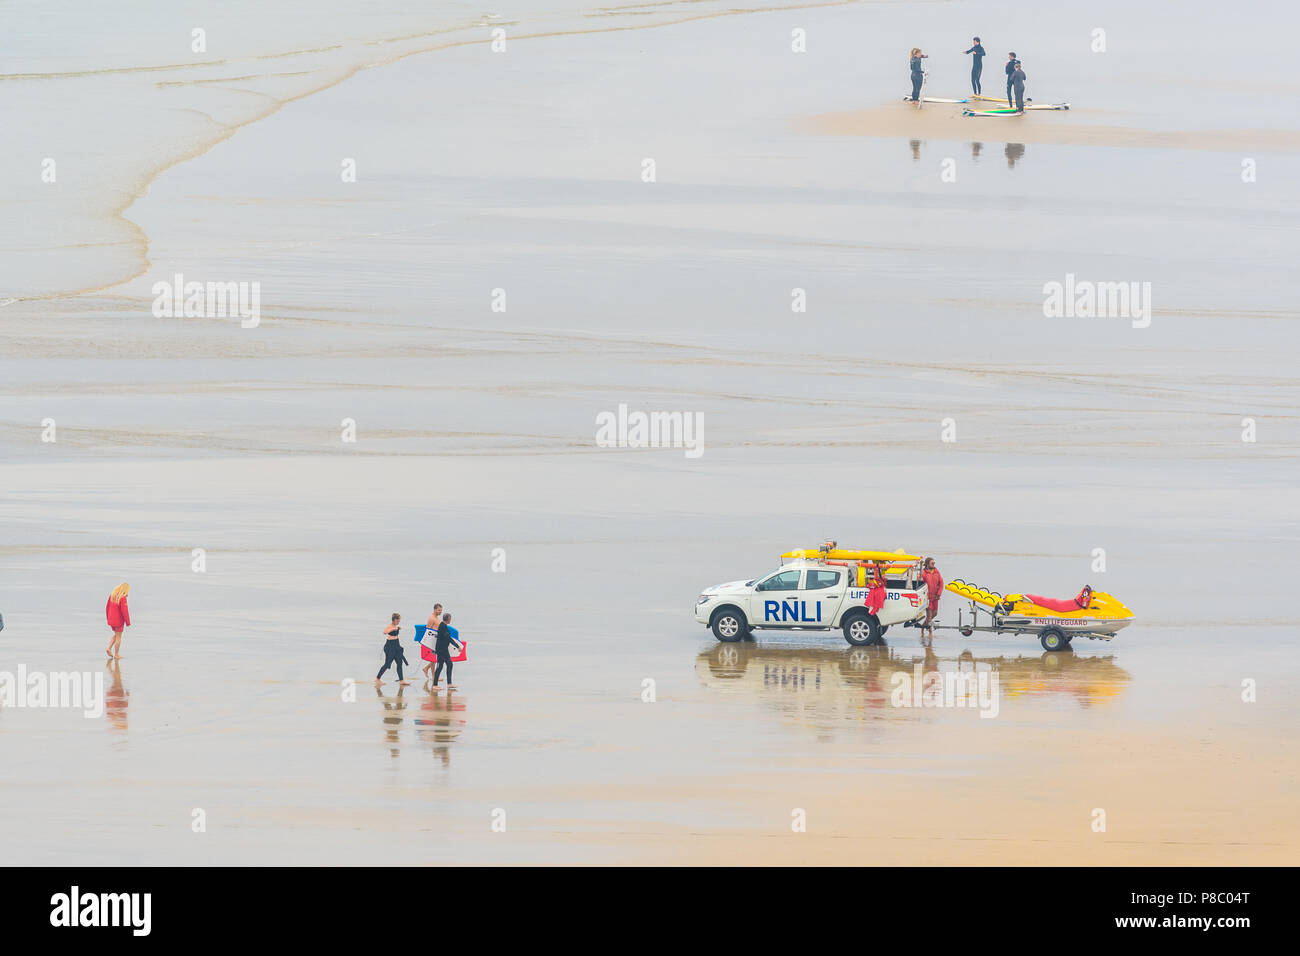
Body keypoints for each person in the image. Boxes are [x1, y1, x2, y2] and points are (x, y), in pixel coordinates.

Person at [431, 612, 463, 690]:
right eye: (450, 619)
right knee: (445, 665)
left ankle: (448, 684)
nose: (450, 620)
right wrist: (458, 646)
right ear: (448, 619)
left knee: (443, 666)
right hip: (441, 650)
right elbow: (449, 638)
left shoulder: (443, 626)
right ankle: (437, 685)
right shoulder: (443, 627)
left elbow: (447, 638)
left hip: (443, 649)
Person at [375, 612, 409, 684]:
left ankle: (401, 680)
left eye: (399, 620)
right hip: (390, 646)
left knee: (399, 662)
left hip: (397, 645)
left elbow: (395, 630)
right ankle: (377, 679)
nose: (399, 622)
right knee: (387, 664)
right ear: (394, 620)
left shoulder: (396, 626)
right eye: (398, 620)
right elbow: (385, 632)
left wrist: (397, 628)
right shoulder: (390, 626)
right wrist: (392, 630)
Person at [105, 582, 131, 658]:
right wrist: (128, 622)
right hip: (118, 621)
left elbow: (107, 608)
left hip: (111, 620)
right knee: (119, 637)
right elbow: (125, 611)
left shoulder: (112, 596)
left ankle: (109, 648)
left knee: (116, 635)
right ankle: (116, 654)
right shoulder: (122, 598)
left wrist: (108, 618)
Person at [920, 558, 944, 638]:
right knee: (929, 615)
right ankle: (930, 633)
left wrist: (939, 593)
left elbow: (941, 583)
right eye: (932, 563)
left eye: (934, 563)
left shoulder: (937, 572)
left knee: (935, 613)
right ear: (927, 564)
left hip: (936, 597)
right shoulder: (923, 573)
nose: (933, 564)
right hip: (927, 597)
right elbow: (920, 584)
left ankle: (923, 626)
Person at [421, 603, 444, 678]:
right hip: (432, 641)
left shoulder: (436, 617)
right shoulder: (432, 618)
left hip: (437, 640)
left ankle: (426, 669)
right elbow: (428, 629)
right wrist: (426, 642)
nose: (440, 612)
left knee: (435, 658)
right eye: (439, 610)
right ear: (434, 610)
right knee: (433, 658)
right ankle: (434, 676)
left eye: (441, 610)